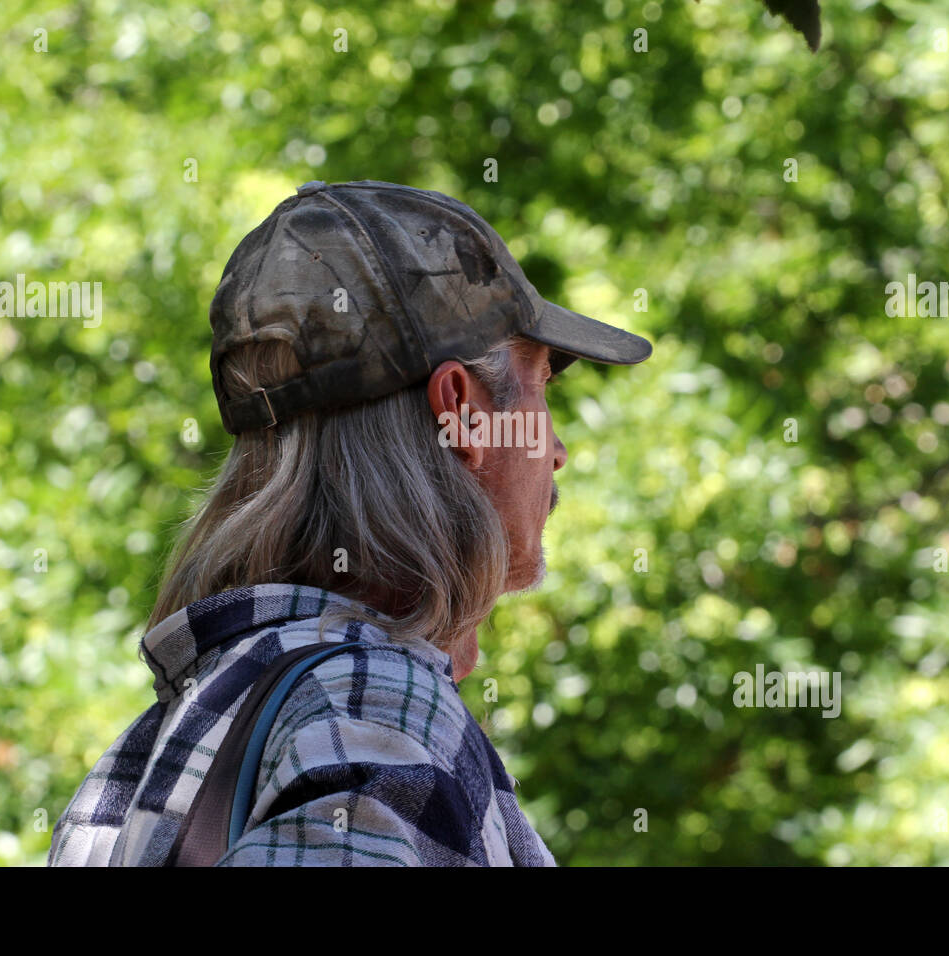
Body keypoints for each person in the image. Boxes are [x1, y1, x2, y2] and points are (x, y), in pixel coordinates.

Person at [47, 180, 651, 866]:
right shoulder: (374, 706)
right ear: (462, 410)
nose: (559, 450)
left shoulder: (162, 737)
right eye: (542, 384)